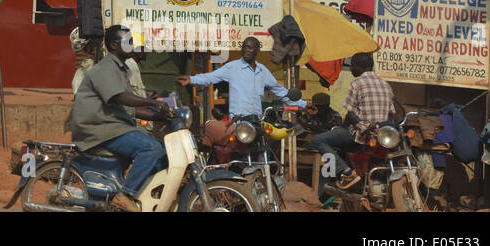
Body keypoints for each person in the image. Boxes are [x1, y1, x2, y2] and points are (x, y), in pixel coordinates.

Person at [72, 25, 172, 212]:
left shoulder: (121, 68)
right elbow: (121, 97)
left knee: (163, 152)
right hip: (98, 129)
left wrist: (160, 116)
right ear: (114, 46)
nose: (132, 45)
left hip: (113, 126)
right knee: (151, 147)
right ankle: (125, 195)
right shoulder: (105, 69)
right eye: (127, 42)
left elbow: (128, 109)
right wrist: (152, 102)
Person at [306, 52, 395, 192]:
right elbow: (391, 114)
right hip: (380, 138)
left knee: (318, 141)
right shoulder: (386, 85)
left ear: (360, 66)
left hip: (360, 135)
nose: (351, 68)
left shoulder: (357, 84)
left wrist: (341, 128)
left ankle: (346, 172)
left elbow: (350, 114)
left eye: (353, 65)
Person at [176, 36, 306, 118]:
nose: (246, 50)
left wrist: (304, 105)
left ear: (257, 51)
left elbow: (281, 92)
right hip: (238, 122)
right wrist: (191, 79)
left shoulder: (263, 71)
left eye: (249, 48)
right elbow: (210, 77)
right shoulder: (233, 67)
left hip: (256, 120)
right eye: (244, 48)